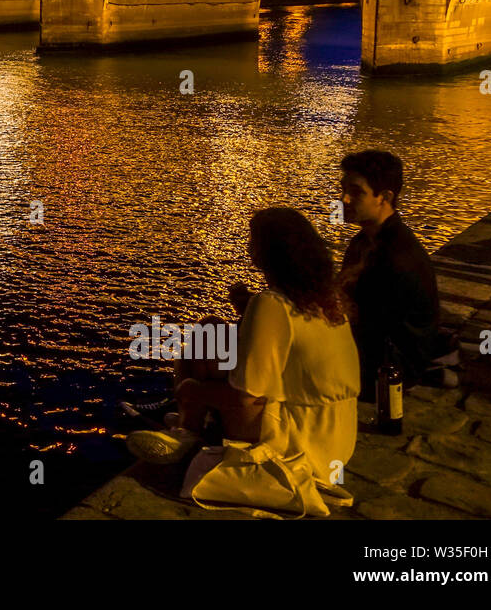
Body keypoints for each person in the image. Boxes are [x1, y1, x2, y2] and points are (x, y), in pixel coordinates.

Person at [128, 208, 361, 487]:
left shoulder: (271, 303)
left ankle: (186, 430)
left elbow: (246, 398)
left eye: (252, 240)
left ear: (267, 252)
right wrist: (248, 310)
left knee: (195, 385)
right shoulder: (326, 299)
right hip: (336, 438)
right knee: (210, 329)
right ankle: (188, 428)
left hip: (300, 442)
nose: (248, 246)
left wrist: (192, 390)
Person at [338, 150, 441, 398]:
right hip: (374, 348)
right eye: (343, 189)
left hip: (389, 367)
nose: (343, 199)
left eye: (356, 191)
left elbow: (370, 327)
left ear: (385, 197)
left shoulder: (396, 258)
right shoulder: (365, 241)